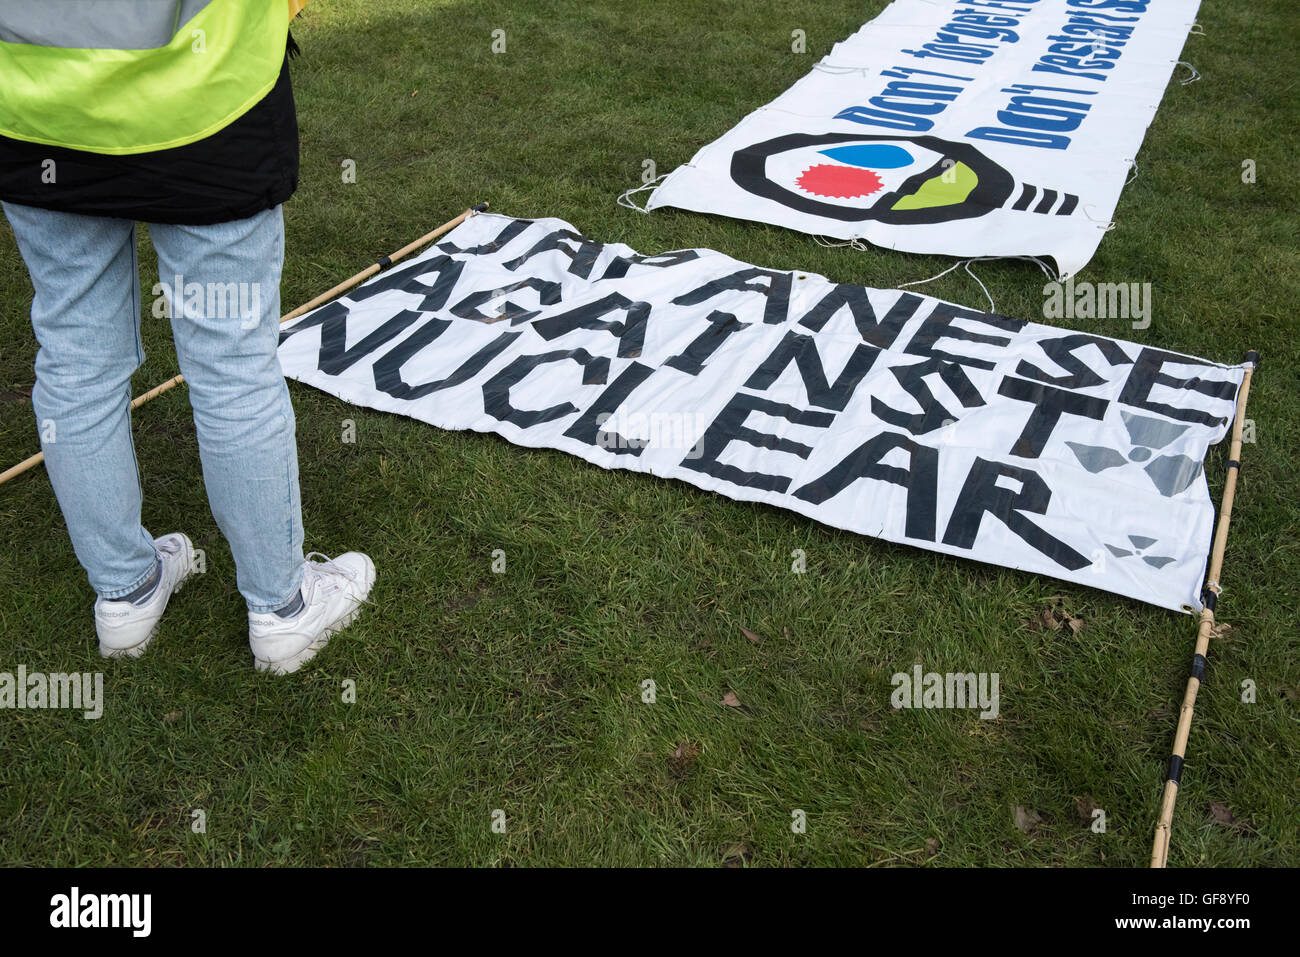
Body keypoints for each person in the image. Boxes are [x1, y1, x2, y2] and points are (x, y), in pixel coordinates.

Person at [0, 0, 373, 674]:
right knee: (229, 362)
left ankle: (126, 592)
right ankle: (280, 609)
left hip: (35, 104)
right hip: (205, 101)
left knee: (78, 352)